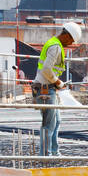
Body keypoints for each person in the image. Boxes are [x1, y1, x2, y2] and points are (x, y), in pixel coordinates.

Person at [32, 21, 81, 156]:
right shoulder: (56, 47)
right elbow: (46, 69)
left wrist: (56, 83)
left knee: (56, 121)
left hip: (47, 88)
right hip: (45, 90)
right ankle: (45, 155)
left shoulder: (54, 43)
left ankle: (53, 151)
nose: (70, 44)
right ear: (67, 36)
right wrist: (58, 81)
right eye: (71, 40)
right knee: (48, 124)